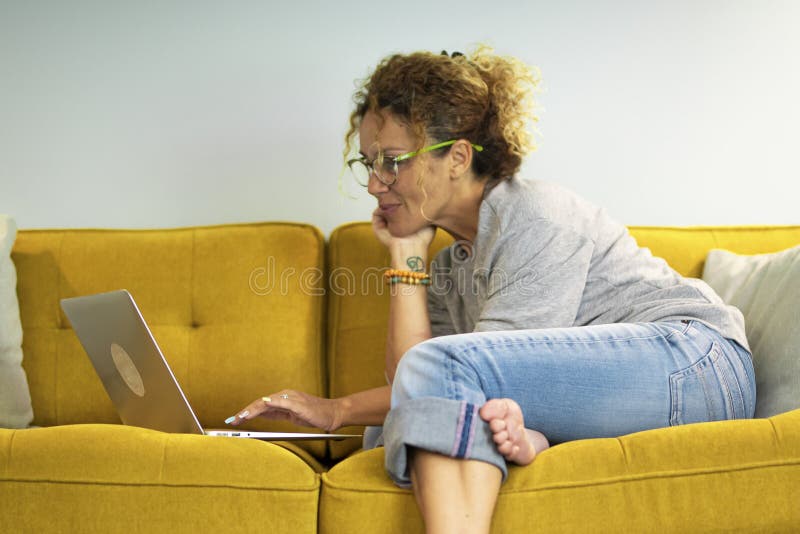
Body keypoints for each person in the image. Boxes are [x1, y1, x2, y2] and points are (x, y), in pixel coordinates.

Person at [229, 46, 756, 533]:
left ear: (457, 157)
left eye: (392, 159)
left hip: (693, 361)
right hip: (616, 392)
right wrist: (406, 257)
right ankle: (530, 439)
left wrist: (341, 409)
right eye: (368, 163)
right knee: (393, 426)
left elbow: (441, 369)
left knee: (430, 383)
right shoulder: (450, 271)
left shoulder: (536, 215)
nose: (373, 183)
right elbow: (423, 387)